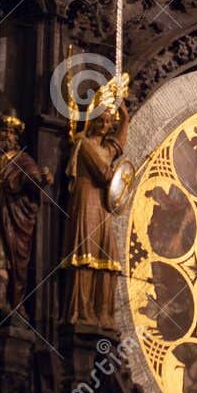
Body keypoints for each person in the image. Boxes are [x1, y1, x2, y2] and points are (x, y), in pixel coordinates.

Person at [0, 112, 51, 315]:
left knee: (15, 261)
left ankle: (14, 299)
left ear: (17, 138)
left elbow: (34, 182)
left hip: (15, 216)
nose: (7, 135)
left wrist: (44, 179)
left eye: (12, 133)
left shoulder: (23, 160)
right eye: (4, 130)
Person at [62, 80, 130, 330]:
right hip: (87, 199)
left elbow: (118, 145)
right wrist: (119, 177)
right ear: (91, 120)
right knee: (86, 254)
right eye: (101, 120)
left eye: (108, 122)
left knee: (107, 257)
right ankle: (81, 311)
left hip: (101, 204)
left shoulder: (104, 147)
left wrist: (125, 118)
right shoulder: (84, 143)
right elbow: (103, 173)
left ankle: (103, 314)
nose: (104, 125)